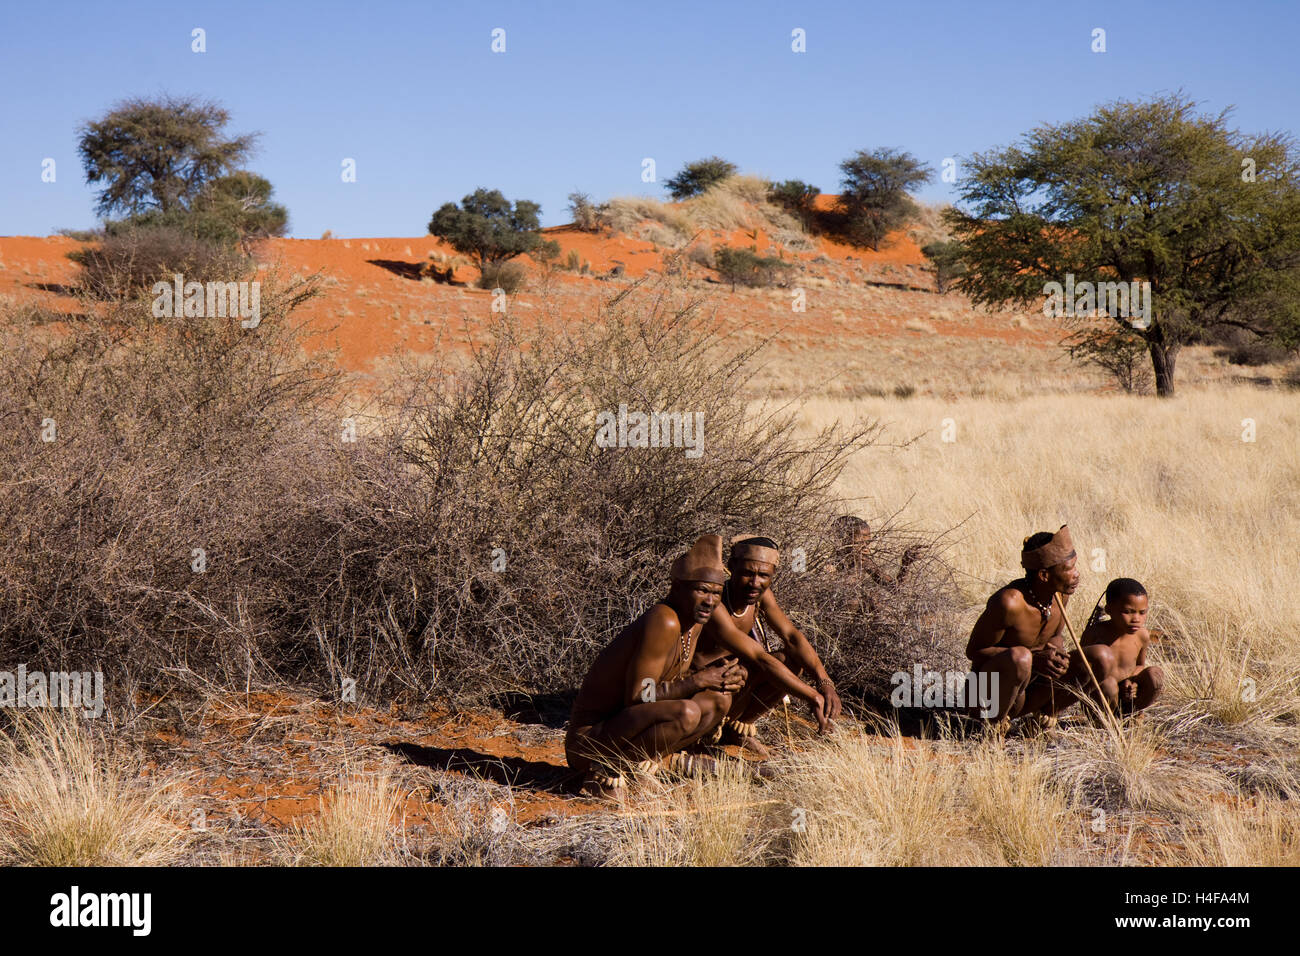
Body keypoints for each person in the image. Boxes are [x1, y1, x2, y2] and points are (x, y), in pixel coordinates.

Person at [564, 534, 747, 794]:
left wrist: (727, 676)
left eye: (716, 593)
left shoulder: (694, 621)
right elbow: (640, 695)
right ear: (677, 587)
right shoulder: (664, 620)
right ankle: (607, 767)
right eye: (702, 590)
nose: (710, 600)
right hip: (592, 742)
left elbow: (671, 680)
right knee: (687, 712)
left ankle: (649, 759)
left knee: (719, 700)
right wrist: (698, 680)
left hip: (627, 729)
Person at [690, 535, 838, 758]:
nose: (755, 583)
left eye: (763, 575)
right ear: (731, 567)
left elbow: (791, 636)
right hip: (699, 689)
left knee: (789, 661)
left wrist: (824, 681)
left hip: (731, 684)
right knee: (754, 668)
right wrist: (813, 696)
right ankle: (696, 738)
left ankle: (737, 729)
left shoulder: (761, 596)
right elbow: (759, 658)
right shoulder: (715, 601)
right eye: (748, 573)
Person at [964, 525, 1082, 726]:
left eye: (1075, 566)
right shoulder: (1010, 603)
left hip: (1027, 692)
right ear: (1044, 575)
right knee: (1021, 658)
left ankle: (1043, 717)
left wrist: (1058, 655)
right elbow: (974, 651)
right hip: (987, 698)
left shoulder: (1059, 594)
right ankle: (994, 726)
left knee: (1095, 658)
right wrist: (1034, 660)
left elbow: (1053, 636)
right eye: (1068, 569)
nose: (1076, 574)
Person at [1076, 578, 1164, 717]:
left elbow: (1140, 665)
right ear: (1109, 609)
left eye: (1142, 612)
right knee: (1109, 685)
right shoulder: (1095, 633)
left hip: (1127, 694)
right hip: (1101, 696)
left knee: (1155, 674)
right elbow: (1080, 669)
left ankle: (1132, 713)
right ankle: (1104, 720)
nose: (1136, 618)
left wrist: (1132, 681)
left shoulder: (1142, 635)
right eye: (1128, 611)